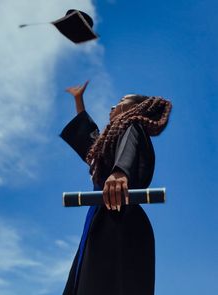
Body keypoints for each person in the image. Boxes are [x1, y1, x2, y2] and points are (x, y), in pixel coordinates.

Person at [60, 81, 172, 295]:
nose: (113, 106)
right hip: (99, 220)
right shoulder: (108, 143)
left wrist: (120, 172)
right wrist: (78, 101)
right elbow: (90, 142)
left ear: (133, 108)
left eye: (121, 101)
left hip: (120, 217)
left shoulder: (132, 127)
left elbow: (130, 145)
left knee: (109, 283)